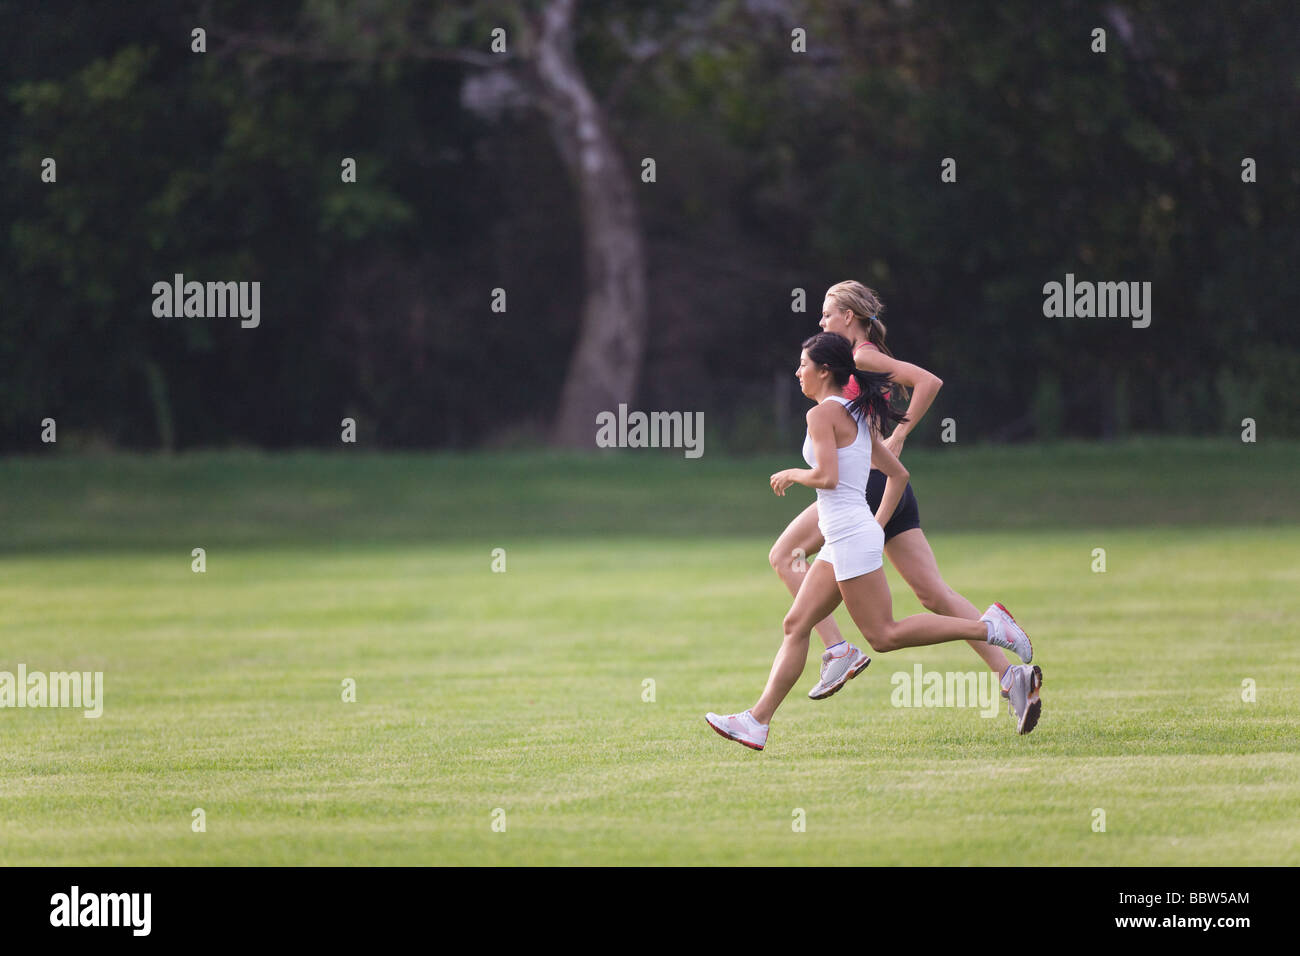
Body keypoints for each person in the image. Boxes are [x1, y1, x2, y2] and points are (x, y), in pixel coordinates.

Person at [706, 332, 1034, 751]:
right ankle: (757, 721)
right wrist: (876, 526)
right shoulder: (855, 412)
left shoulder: (823, 415)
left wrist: (793, 474)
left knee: (884, 636)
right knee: (796, 623)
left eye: (803, 365)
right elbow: (898, 475)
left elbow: (826, 477)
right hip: (846, 538)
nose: (797, 372)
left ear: (825, 371)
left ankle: (989, 627)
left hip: (848, 538)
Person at [769, 280, 1042, 733]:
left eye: (827, 314)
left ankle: (838, 651)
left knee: (784, 556)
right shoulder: (865, 356)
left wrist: (899, 436)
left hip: (862, 489)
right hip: (891, 487)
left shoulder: (860, 357)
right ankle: (1009, 674)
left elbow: (927, 382)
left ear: (849, 318)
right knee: (933, 594)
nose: (821, 322)